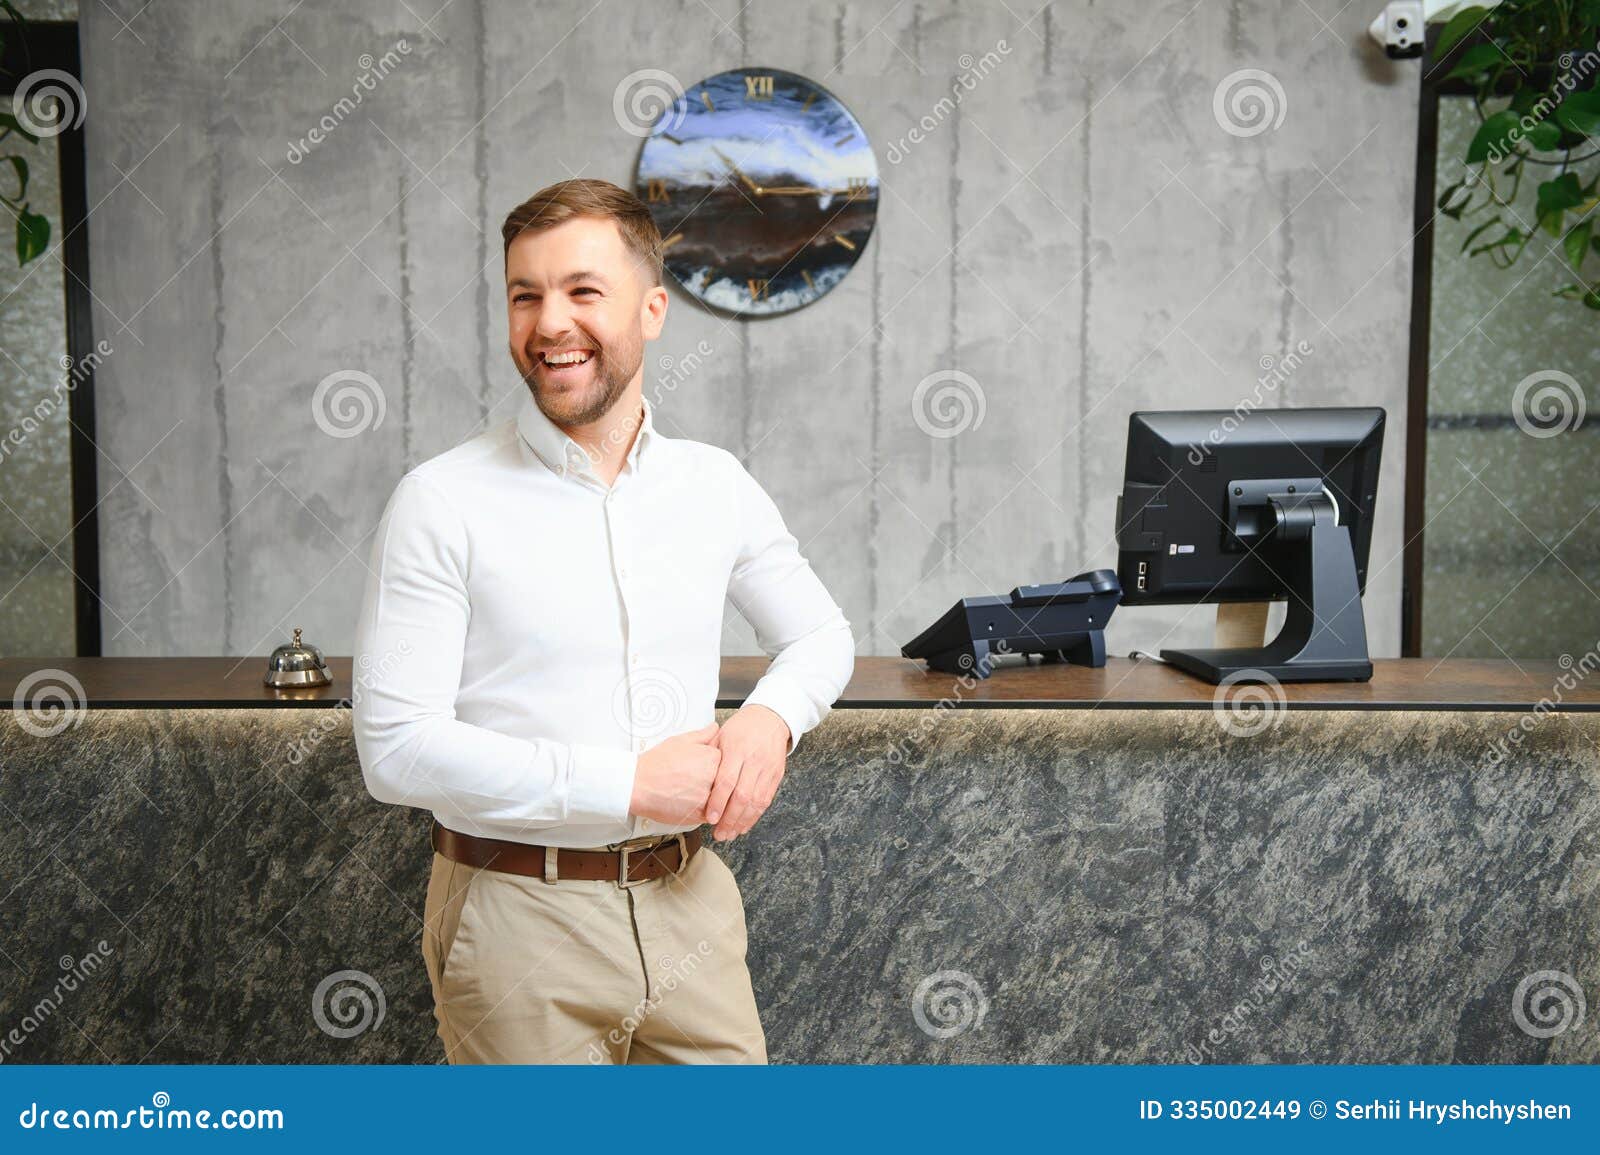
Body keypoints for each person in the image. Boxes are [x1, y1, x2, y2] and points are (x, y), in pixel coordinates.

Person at [351, 178, 853, 1064]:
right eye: (525, 295)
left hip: (689, 903)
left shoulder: (714, 483)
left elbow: (820, 636)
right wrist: (625, 787)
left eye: (583, 291)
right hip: (515, 922)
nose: (550, 323)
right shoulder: (440, 500)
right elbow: (395, 748)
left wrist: (771, 721)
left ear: (652, 309)